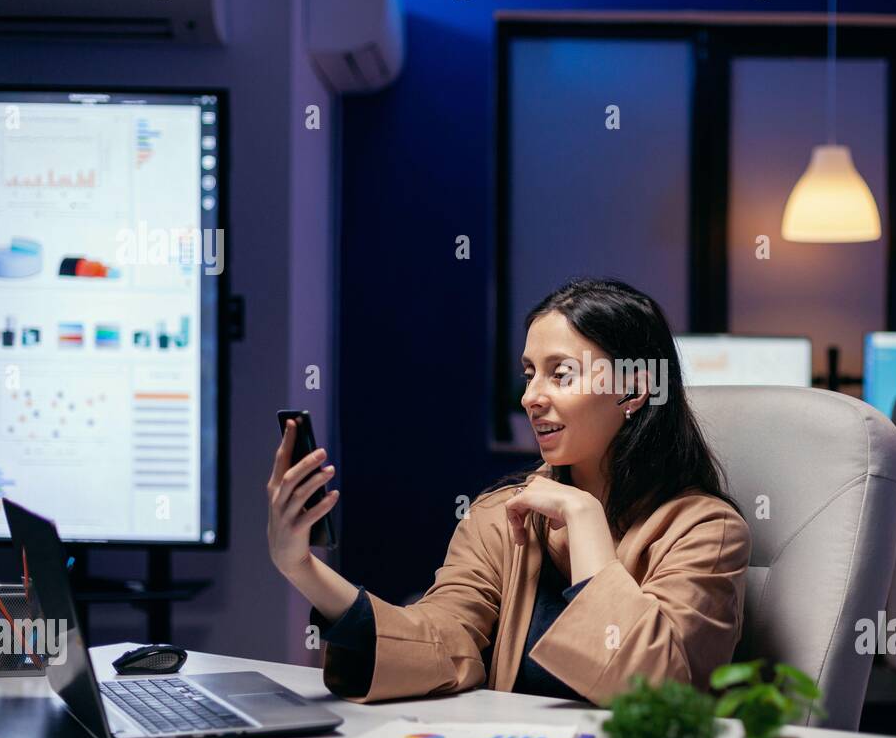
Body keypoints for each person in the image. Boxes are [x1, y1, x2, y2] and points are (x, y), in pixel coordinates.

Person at [266, 277, 751, 706]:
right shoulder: (503, 512)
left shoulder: (707, 531)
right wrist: (301, 568)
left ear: (634, 390)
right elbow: (438, 641)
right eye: (528, 372)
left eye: (561, 374)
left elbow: (656, 691)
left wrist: (584, 520)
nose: (530, 397)